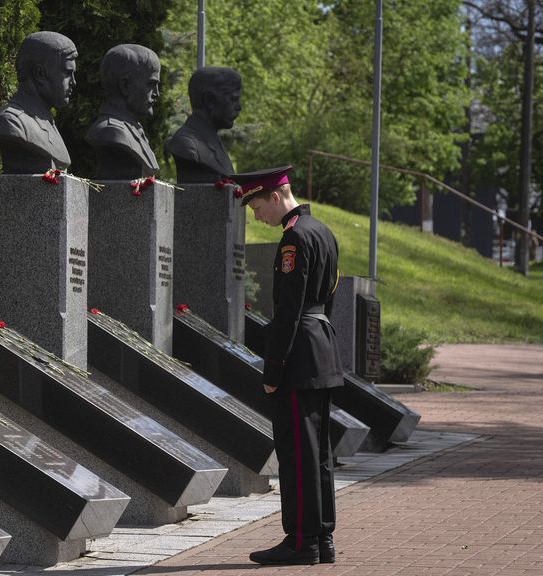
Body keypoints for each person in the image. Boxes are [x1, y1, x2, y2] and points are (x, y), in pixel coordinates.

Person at [237, 165, 343, 565]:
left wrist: (273, 369)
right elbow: (326, 302)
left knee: (297, 454)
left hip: (298, 356)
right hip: (322, 350)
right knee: (318, 454)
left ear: (276, 196)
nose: (256, 215)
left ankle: (301, 541)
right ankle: (322, 538)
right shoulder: (324, 232)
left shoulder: (294, 239)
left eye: (257, 206)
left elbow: (288, 311)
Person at [0, 31, 77, 174]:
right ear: (40, 74)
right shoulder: (11, 122)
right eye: (67, 73)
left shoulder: (47, 122)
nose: (73, 82)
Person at [85, 44, 161, 180]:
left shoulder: (133, 129)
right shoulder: (109, 131)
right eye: (151, 84)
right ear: (125, 85)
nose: (157, 94)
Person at [164, 67, 241, 184]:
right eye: (233, 99)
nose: (238, 107)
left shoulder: (213, 140)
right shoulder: (186, 144)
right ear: (209, 100)